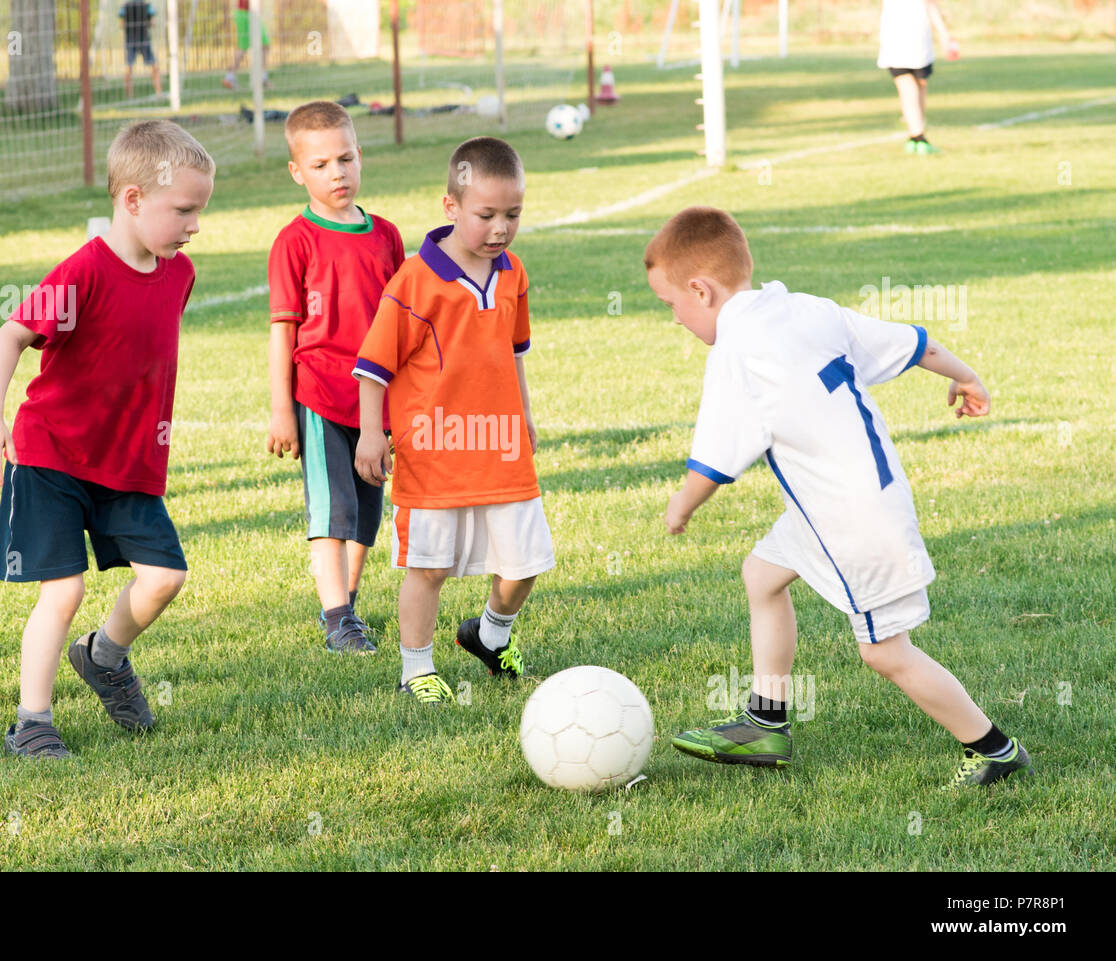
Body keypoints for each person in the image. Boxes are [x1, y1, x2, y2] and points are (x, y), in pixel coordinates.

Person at [646, 206, 1033, 788]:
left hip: (851, 520)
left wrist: (683, 503)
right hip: (841, 503)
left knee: (885, 653)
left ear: (700, 290)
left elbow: (718, 456)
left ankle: (996, 750)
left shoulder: (735, 348)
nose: (675, 320)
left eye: (671, 306)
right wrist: (966, 374)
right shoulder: (806, 310)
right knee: (762, 575)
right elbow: (915, 345)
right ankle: (764, 723)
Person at [0, 120, 215, 758]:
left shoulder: (179, 274)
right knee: (66, 586)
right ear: (132, 200)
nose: (194, 225)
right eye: (183, 209)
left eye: (200, 210)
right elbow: (9, 337)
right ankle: (32, 722)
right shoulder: (85, 272)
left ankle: (105, 657)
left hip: (128, 462)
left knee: (163, 576)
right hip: (53, 455)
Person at [353, 136, 554, 705]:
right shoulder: (415, 282)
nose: (500, 228)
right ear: (451, 207)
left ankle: (490, 634)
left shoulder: (513, 272)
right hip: (434, 449)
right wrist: (372, 433)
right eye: (485, 215)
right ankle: (416, 668)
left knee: (526, 561)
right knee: (430, 568)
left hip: (502, 445)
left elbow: (513, 353)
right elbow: (374, 366)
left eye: (512, 214)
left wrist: (526, 415)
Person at [267, 101, 405, 654]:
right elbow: (283, 329)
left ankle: (348, 605)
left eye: (345, 159)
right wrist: (283, 410)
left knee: (367, 510)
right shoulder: (294, 241)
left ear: (360, 155)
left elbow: (401, 324)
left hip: (377, 404)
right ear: (298, 172)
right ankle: (336, 618)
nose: (337, 173)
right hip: (319, 393)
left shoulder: (387, 235)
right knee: (332, 510)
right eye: (320, 165)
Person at [878, 0, 958, 154]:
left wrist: (943, 34)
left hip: (910, 34)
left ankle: (916, 135)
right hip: (903, 33)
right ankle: (918, 137)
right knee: (908, 84)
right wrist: (943, 34)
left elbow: (931, 4)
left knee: (917, 84)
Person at [223, 1, 272, 90]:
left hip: (248, 13)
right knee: (244, 47)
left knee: (263, 44)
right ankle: (230, 77)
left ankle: (261, 76)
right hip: (245, 13)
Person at [120, 0, 163, 99]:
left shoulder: (125, 6)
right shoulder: (147, 6)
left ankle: (129, 96)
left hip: (131, 40)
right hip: (144, 39)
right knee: (154, 66)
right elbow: (152, 23)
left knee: (128, 67)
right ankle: (159, 92)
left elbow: (122, 24)